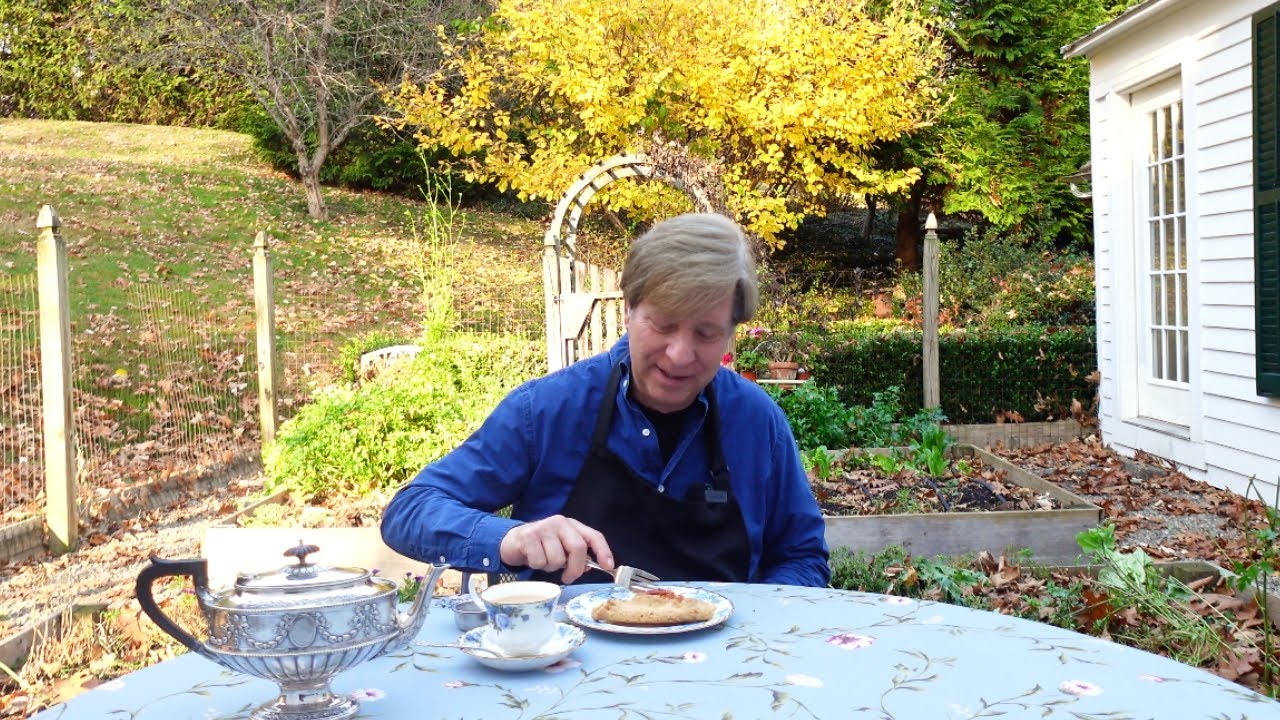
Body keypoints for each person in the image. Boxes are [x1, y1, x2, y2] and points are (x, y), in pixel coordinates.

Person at [380, 212, 830, 587]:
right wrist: (510, 539)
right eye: (664, 325)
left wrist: (754, 631)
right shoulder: (547, 411)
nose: (679, 354)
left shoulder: (757, 422)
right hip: (564, 678)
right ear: (630, 308)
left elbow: (802, 557)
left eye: (706, 334)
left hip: (720, 676)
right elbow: (409, 511)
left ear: (730, 332)